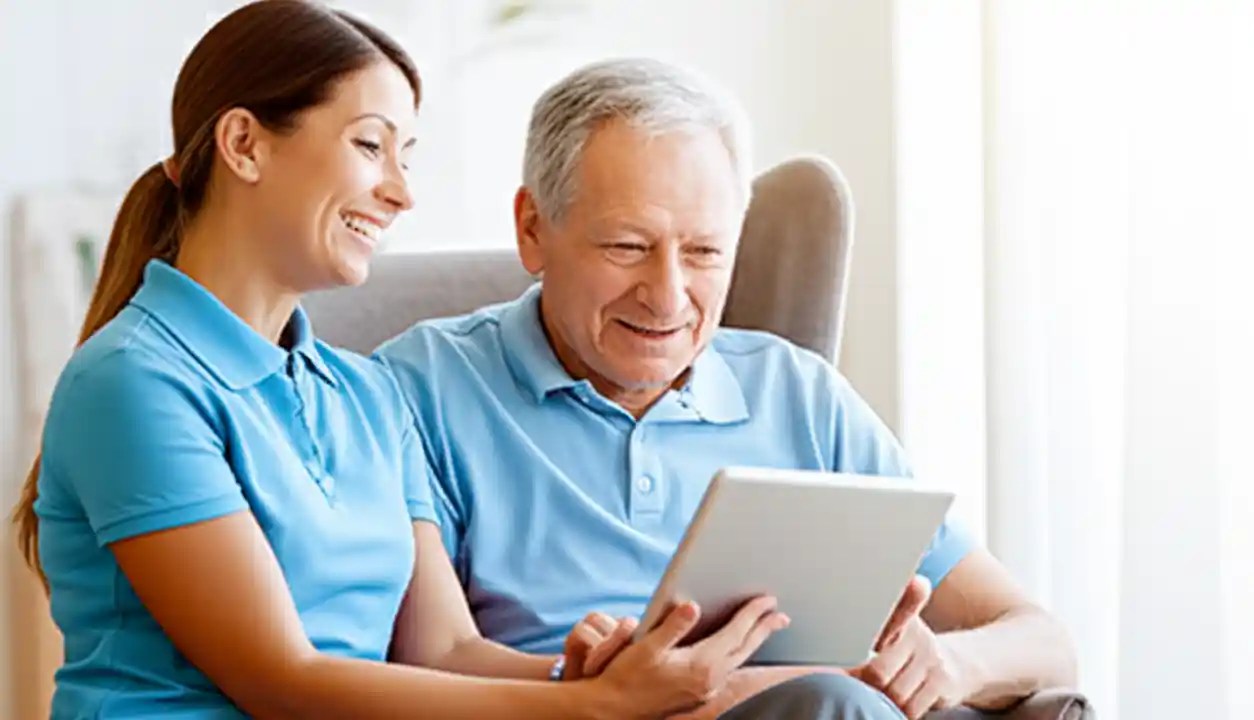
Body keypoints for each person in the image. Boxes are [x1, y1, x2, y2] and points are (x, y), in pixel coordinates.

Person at [9, 5, 790, 718]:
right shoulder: (135, 382)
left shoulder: (366, 394)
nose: (399, 191)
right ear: (243, 144)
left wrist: (590, 676)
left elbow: (444, 653)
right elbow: (281, 681)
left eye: (406, 155)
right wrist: (599, 707)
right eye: (370, 145)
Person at [375, 58, 1079, 720]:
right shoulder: (420, 387)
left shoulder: (797, 395)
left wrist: (950, 663)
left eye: (705, 252)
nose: (668, 297)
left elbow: (1042, 640)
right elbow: (424, 659)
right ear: (534, 229)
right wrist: (589, 686)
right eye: (627, 247)